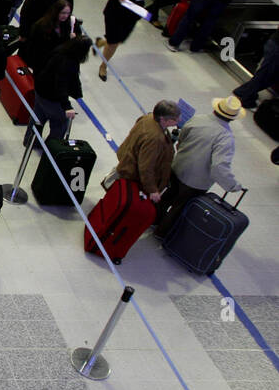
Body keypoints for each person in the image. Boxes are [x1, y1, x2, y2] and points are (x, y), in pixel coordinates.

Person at [154, 96, 245, 236]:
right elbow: (219, 167)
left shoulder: (198, 119)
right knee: (179, 208)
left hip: (177, 167)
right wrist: (233, 185)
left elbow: (181, 139)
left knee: (167, 197)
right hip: (195, 183)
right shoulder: (226, 138)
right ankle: (162, 233)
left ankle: (153, 220)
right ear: (233, 118)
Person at [96, 0, 157, 81]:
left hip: (131, 16)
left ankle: (101, 42)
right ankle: (103, 66)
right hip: (115, 14)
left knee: (118, 40)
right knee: (113, 43)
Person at [113, 100, 181, 205]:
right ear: (163, 119)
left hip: (127, 160)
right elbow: (146, 167)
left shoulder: (148, 118)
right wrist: (152, 190)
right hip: (133, 175)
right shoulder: (155, 139)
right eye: (175, 119)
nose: (179, 120)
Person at [30, 37, 91, 147]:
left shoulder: (60, 50)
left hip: (40, 88)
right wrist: (67, 106)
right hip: (50, 96)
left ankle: (30, 141)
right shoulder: (68, 62)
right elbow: (61, 85)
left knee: (38, 117)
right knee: (61, 123)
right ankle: (51, 148)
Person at [19, 0, 79, 72]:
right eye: (63, 13)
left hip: (56, 63)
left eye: (68, 13)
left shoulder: (69, 24)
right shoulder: (41, 26)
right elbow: (34, 46)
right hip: (42, 62)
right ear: (56, 12)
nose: (66, 16)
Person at [233, 29, 279, 109]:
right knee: (266, 75)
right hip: (276, 47)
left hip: (275, 44)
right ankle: (246, 100)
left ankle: (242, 91)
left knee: (269, 76)